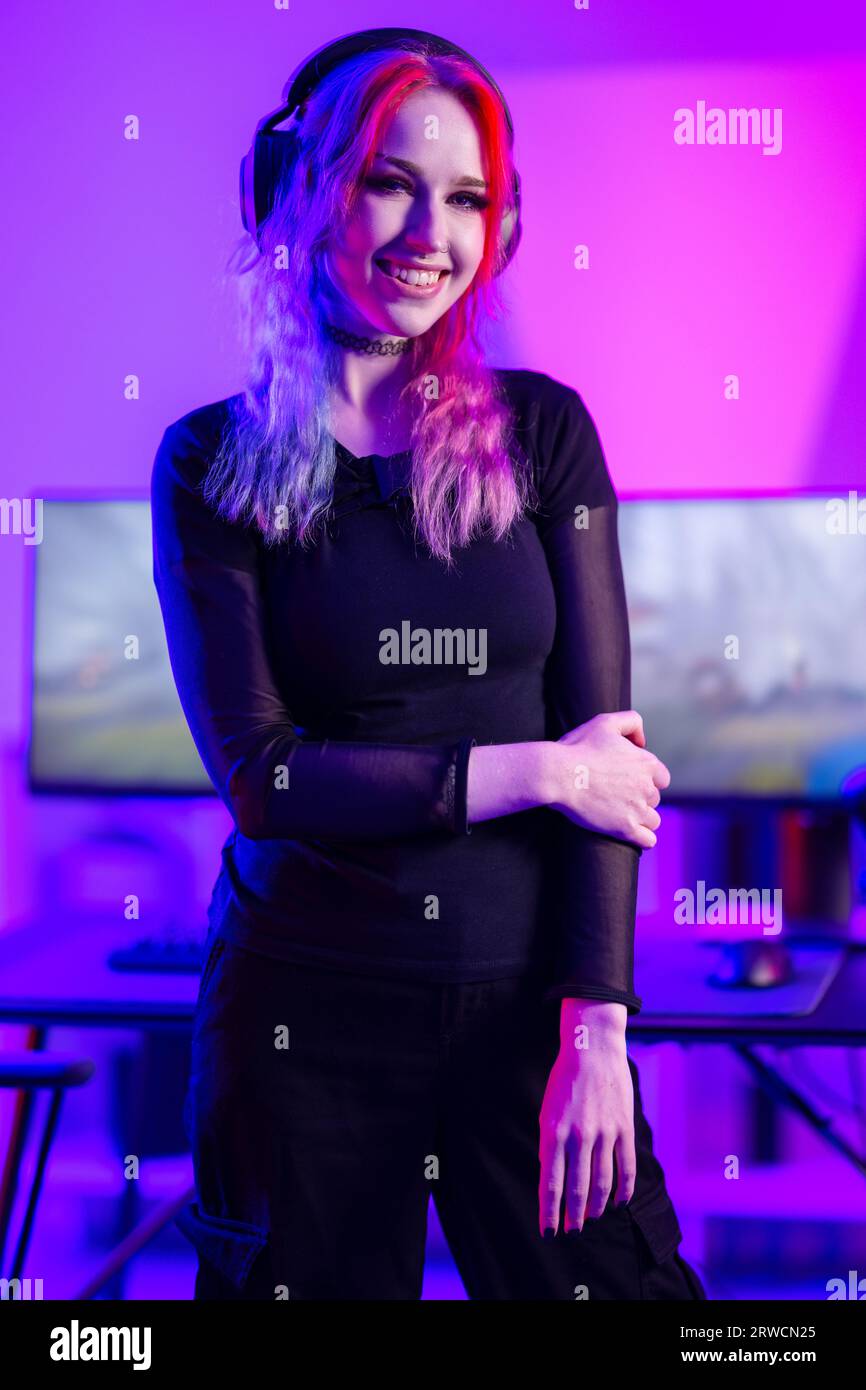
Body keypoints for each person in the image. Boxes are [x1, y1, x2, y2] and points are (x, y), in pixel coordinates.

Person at [151, 28, 708, 1301]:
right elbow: (263, 777)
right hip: (299, 1025)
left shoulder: (543, 432)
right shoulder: (209, 462)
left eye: (466, 198)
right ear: (300, 189)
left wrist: (596, 1030)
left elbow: (605, 764)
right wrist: (537, 774)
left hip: (530, 1014)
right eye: (387, 181)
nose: (429, 233)